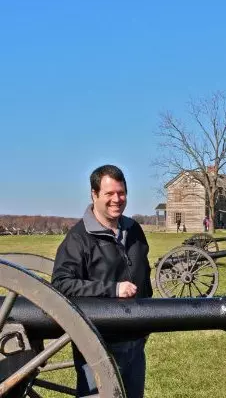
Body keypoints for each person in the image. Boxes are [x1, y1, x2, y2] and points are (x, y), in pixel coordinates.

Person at [51, 164, 152, 398]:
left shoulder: (134, 229)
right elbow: (61, 284)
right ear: (94, 194)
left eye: (121, 192)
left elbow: (144, 277)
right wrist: (113, 289)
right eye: (109, 194)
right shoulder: (78, 238)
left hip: (135, 342)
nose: (117, 199)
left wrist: (148, 322)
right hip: (97, 343)